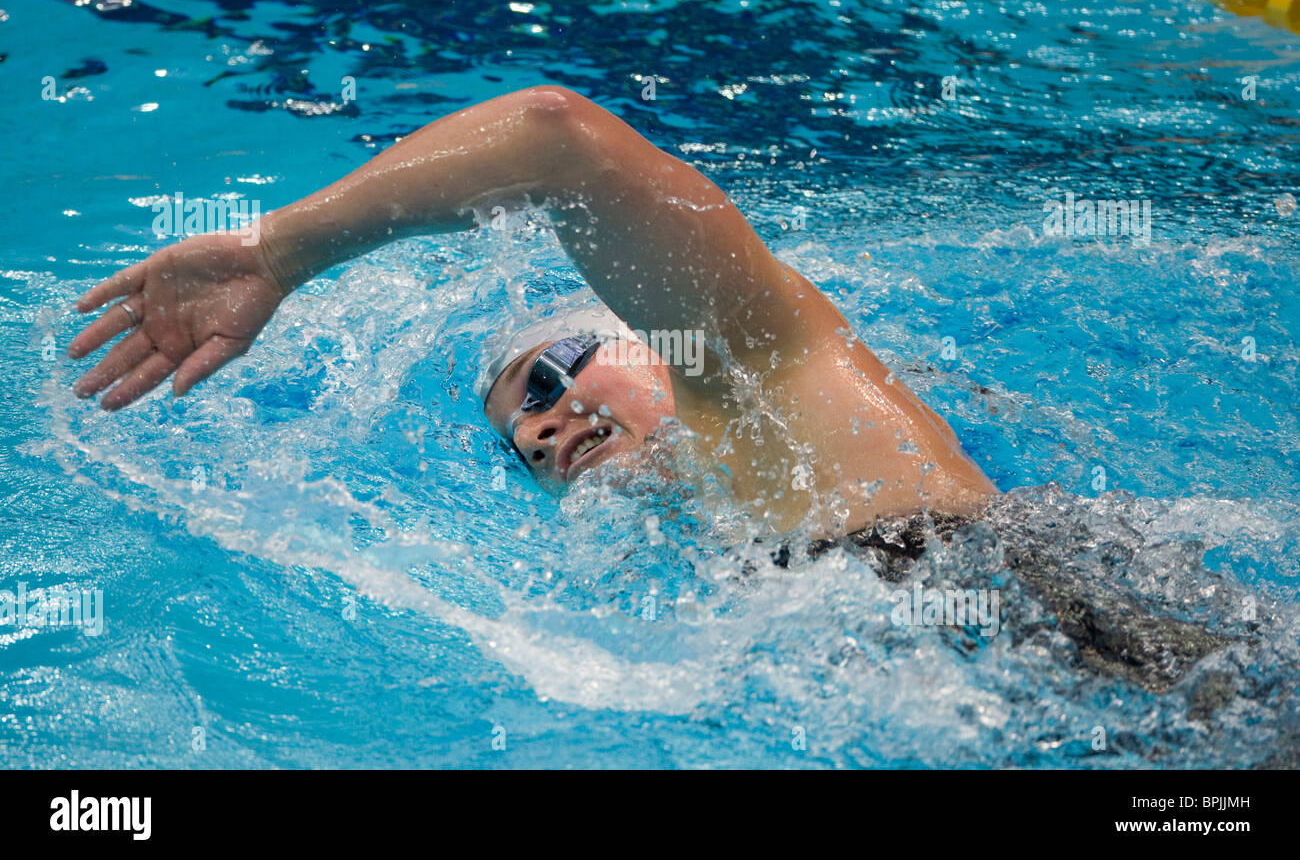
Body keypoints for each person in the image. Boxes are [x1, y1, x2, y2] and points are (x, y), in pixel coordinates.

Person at [68, 84, 998, 540]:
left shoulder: (758, 378)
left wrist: (278, 252)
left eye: (552, 375)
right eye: (525, 436)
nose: (545, 428)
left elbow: (556, 139)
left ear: (651, 334)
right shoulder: (724, 547)